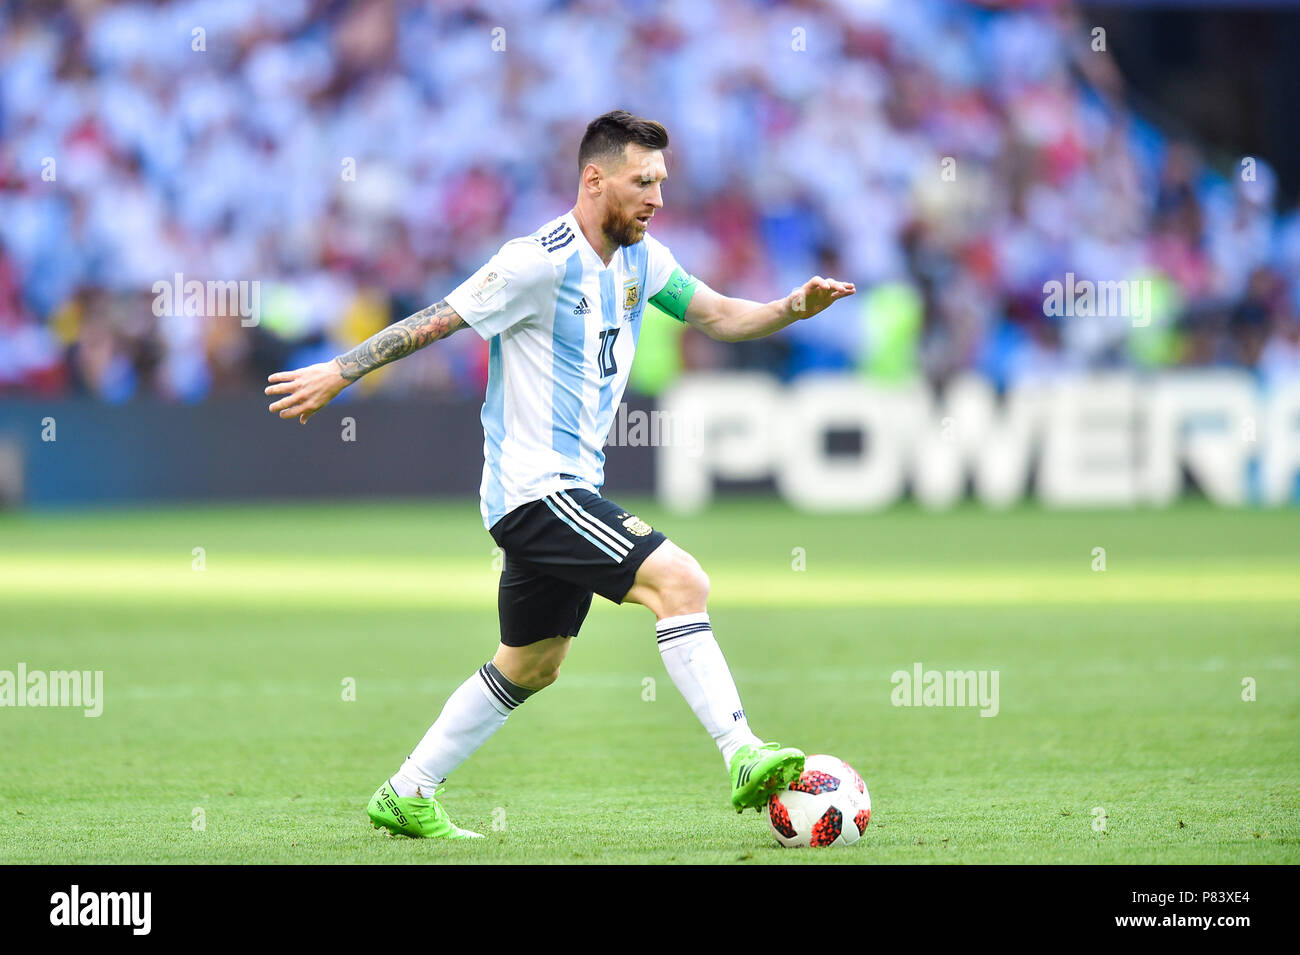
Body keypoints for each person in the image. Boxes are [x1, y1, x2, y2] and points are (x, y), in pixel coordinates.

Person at [265, 110, 856, 838]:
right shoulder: (536, 261)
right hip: (535, 487)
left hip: (569, 485)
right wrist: (339, 370)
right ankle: (742, 752)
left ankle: (407, 789)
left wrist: (792, 308)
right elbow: (439, 319)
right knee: (681, 580)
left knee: (534, 660)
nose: (657, 199)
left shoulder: (642, 259)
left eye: (662, 183)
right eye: (643, 182)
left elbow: (720, 316)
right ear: (594, 179)